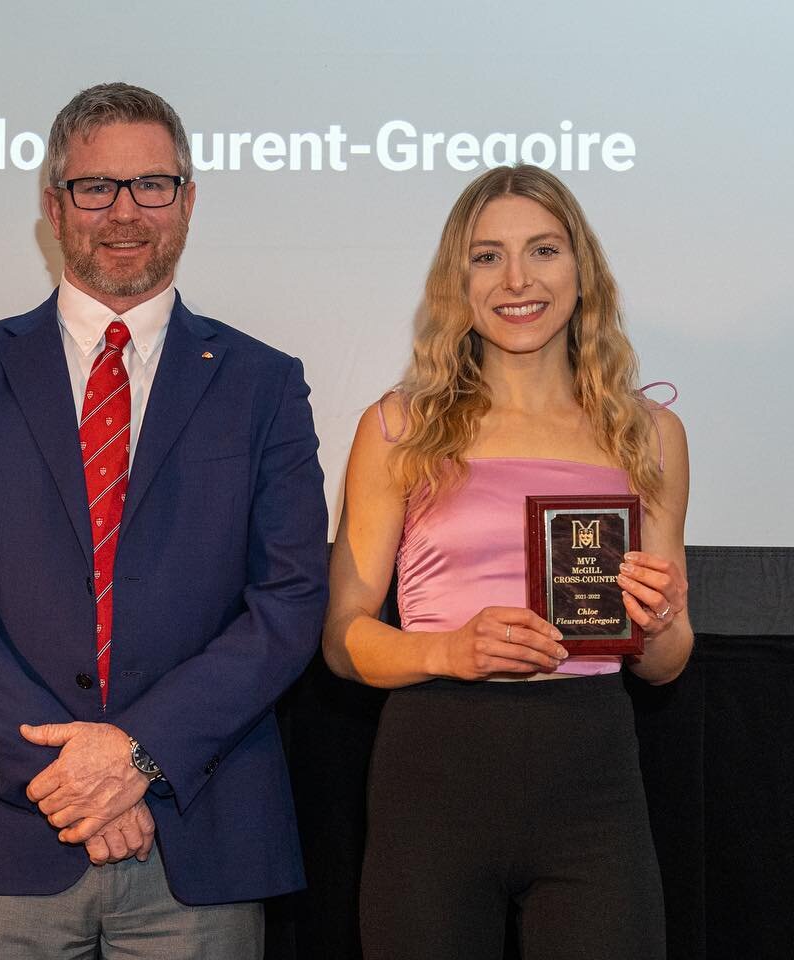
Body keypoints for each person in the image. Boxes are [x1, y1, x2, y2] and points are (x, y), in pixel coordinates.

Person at [0, 82, 328, 958]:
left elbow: (290, 599)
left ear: (189, 201)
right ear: (54, 207)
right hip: (1, 833)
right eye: (95, 188)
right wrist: (67, 771)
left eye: (152, 185)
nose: (125, 212)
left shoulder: (262, 383)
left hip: (199, 836)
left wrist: (137, 755)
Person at [322, 164, 691, 960]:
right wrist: (447, 649)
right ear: (458, 279)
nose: (517, 279)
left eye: (544, 250)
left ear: (581, 267)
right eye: (488, 256)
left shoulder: (649, 433)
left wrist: (658, 621)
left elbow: (664, 663)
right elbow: (342, 639)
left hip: (593, 774)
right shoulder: (397, 427)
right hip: (436, 767)